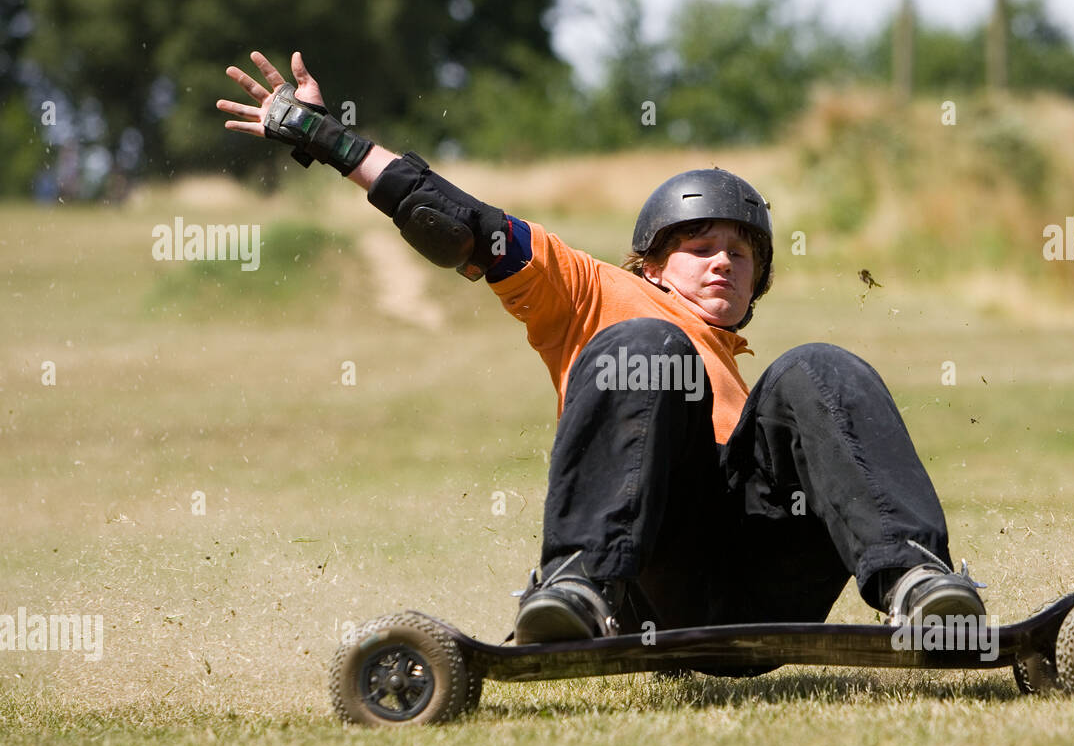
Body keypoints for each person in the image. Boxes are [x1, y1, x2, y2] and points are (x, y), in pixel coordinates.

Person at [218, 51, 986, 648]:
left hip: (770, 577)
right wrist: (330, 137)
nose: (723, 261)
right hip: (659, 576)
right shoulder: (588, 292)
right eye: (698, 245)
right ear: (649, 262)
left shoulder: (763, 383)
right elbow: (459, 224)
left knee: (821, 365)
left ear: (759, 282)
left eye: (742, 254)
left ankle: (919, 583)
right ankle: (579, 586)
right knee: (650, 348)